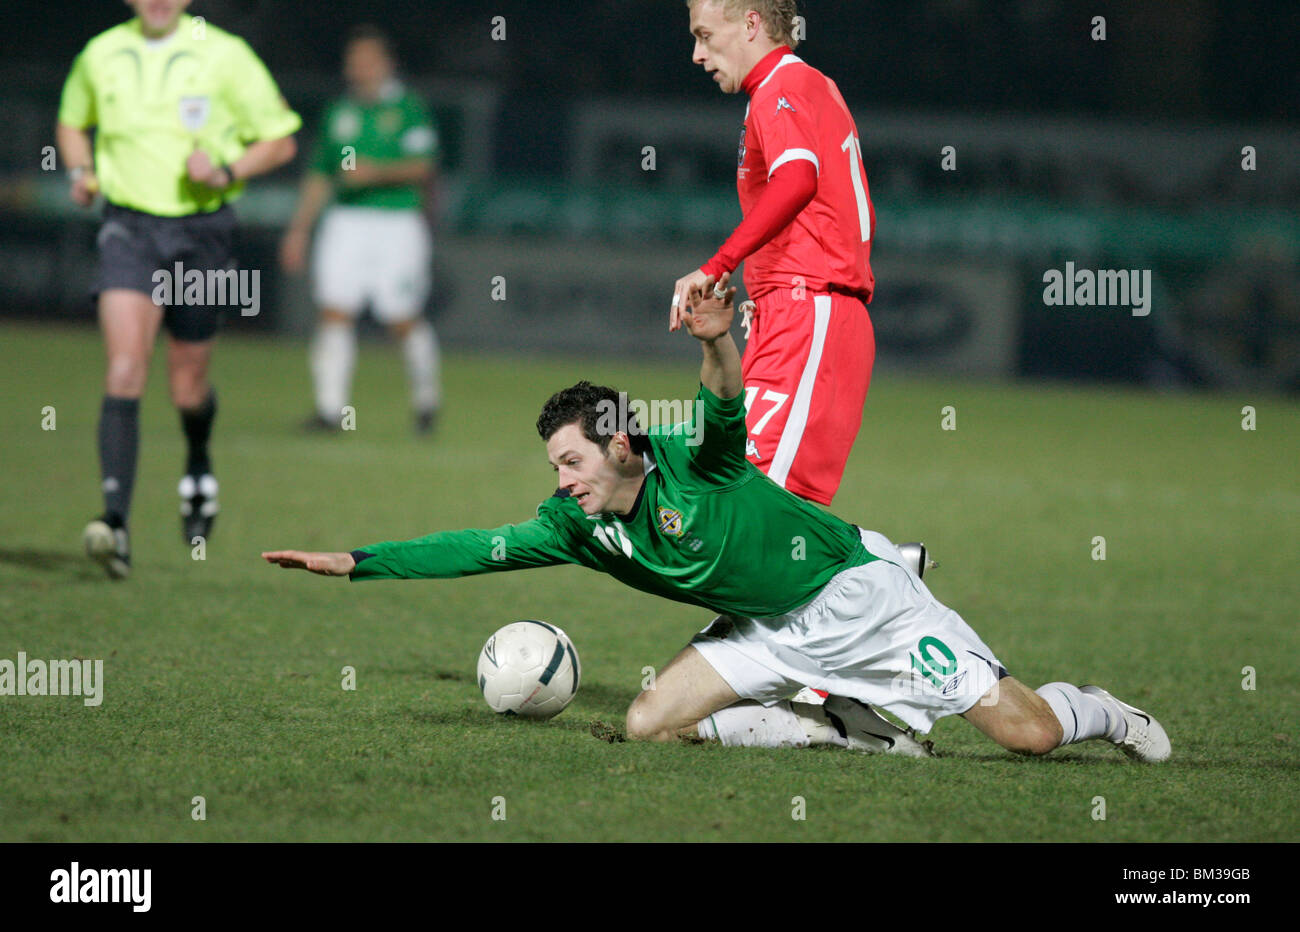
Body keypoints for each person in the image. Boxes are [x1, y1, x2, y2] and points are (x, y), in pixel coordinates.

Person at [263, 274, 1170, 764]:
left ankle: (1100, 711)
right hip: (766, 632)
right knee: (651, 723)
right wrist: (359, 560)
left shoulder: (698, 454)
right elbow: (476, 548)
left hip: (862, 601)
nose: (562, 482)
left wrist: (714, 337)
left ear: (621, 444)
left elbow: (724, 396)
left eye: (572, 460)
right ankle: (841, 730)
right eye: (555, 468)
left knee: (1028, 737)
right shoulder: (574, 526)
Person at [58, 0, 299, 578]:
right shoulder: (102, 52)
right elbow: (71, 122)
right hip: (129, 228)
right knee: (124, 368)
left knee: (187, 387)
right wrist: (80, 171)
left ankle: (197, 458)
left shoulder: (226, 54)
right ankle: (114, 525)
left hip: (202, 233)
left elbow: (281, 140)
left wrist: (224, 171)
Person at [671, 0, 877, 510]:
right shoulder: (799, 86)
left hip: (810, 312)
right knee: (743, 509)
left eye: (704, 35)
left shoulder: (782, 87)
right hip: (790, 314)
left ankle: (893, 573)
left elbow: (797, 180)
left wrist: (717, 263)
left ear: (750, 23)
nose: (697, 54)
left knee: (755, 516)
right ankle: (890, 570)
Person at [279, 24, 442, 435]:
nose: (359, 67)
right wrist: (299, 229)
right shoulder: (340, 112)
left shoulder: (408, 108)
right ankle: (330, 410)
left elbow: (424, 166)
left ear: (387, 63)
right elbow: (319, 174)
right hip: (346, 222)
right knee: (335, 310)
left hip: (397, 221)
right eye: (354, 60)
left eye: (368, 59)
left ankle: (426, 401)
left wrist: (375, 172)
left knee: (401, 317)